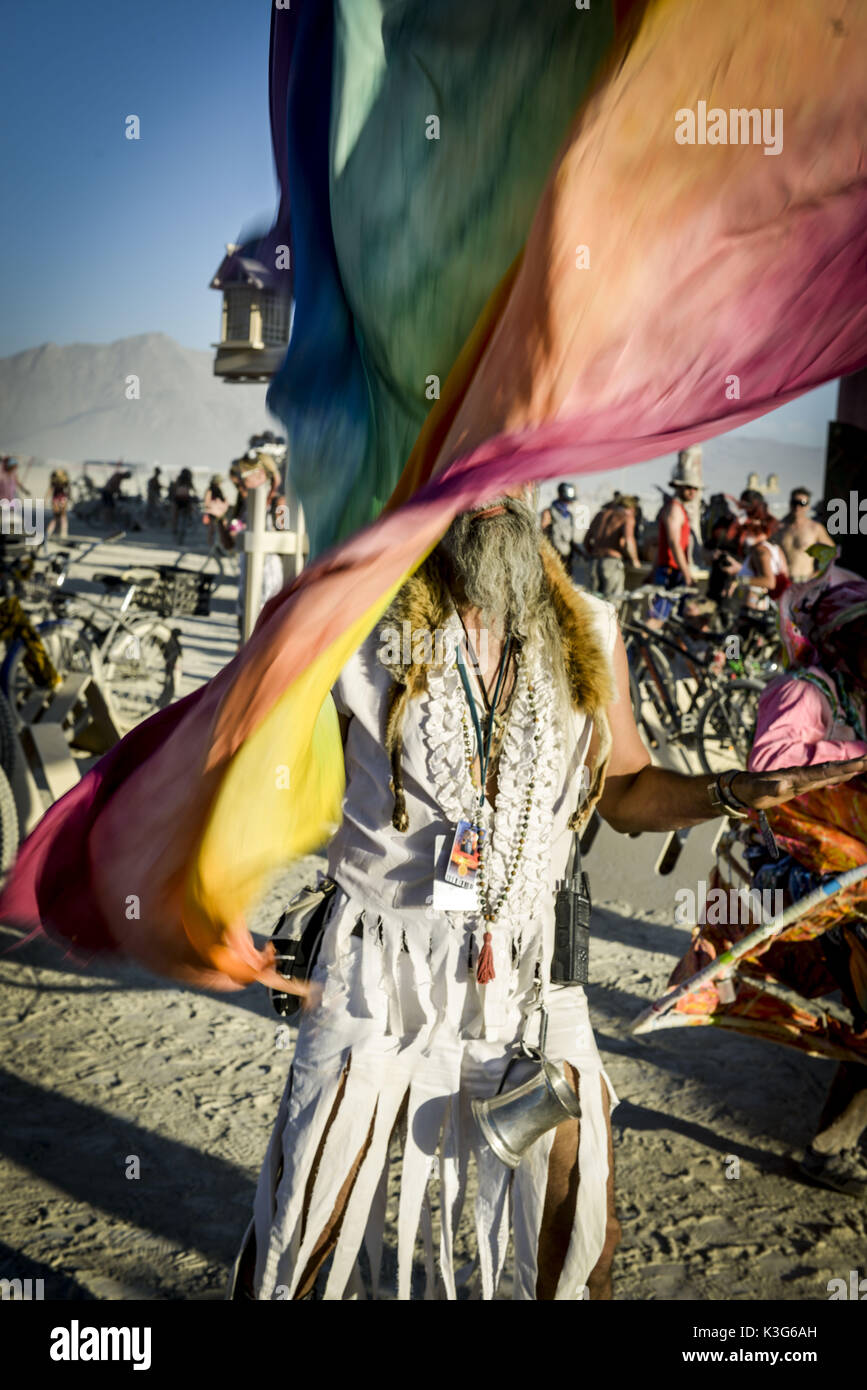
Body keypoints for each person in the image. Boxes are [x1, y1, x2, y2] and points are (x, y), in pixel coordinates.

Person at [229, 489, 865, 1301]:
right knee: (307, 1213)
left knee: (575, 1219)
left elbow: (626, 787)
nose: (492, 492)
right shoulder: (360, 617)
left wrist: (733, 793)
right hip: (378, 966)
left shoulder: (589, 627)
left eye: (516, 466)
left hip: (531, 966)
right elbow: (245, 761)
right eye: (472, 458)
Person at [747, 564, 867, 1194]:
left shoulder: (858, 692)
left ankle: (838, 1141)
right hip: (803, 881)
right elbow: (771, 770)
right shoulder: (806, 690)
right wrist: (855, 760)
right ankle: (831, 1148)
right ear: (846, 638)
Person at [648, 448, 702, 622]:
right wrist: (687, 574)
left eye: (695, 488)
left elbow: (663, 546)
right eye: (688, 487)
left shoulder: (678, 510)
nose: (692, 491)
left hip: (671, 571)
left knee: (674, 620)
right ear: (678, 486)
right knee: (657, 618)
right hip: (671, 573)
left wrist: (653, 570)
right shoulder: (674, 509)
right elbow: (673, 543)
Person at [584, 494, 641, 601]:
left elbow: (586, 540)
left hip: (594, 562)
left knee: (592, 602)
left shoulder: (600, 515)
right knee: (611, 603)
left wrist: (592, 553)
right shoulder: (627, 518)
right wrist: (635, 560)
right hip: (612, 563)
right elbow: (628, 542)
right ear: (631, 508)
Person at [777, 488, 832, 581]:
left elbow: (831, 552)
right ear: (790, 503)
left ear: (807, 506)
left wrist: (818, 573)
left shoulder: (815, 528)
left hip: (805, 580)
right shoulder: (779, 527)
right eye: (794, 502)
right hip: (783, 581)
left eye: (802, 503)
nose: (797, 507)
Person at [540, 481, 583, 579]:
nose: (568, 503)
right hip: (553, 557)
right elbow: (543, 534)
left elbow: (570, 538)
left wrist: (579, 551)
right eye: (566, 500)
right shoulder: (549, 512)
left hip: (567, 558)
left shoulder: (570, 515)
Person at [171, 467, 196, 543]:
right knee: (185, 514)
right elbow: (193, 489)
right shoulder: (188, 480)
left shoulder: (179, 479)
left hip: (178, 499)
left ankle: (175, 529)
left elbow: (174, 489)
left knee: (176, 516)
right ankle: (188, 522)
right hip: (185, 500)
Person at [45, 469, 70, 539]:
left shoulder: (54, 483)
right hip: (62, 499)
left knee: (56, 518)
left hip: (56, 499)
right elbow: (68, 490)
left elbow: (50, 490)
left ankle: (49, 532)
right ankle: (63, 533)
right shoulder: (64, 482)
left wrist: (45, 499)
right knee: (63, 517)